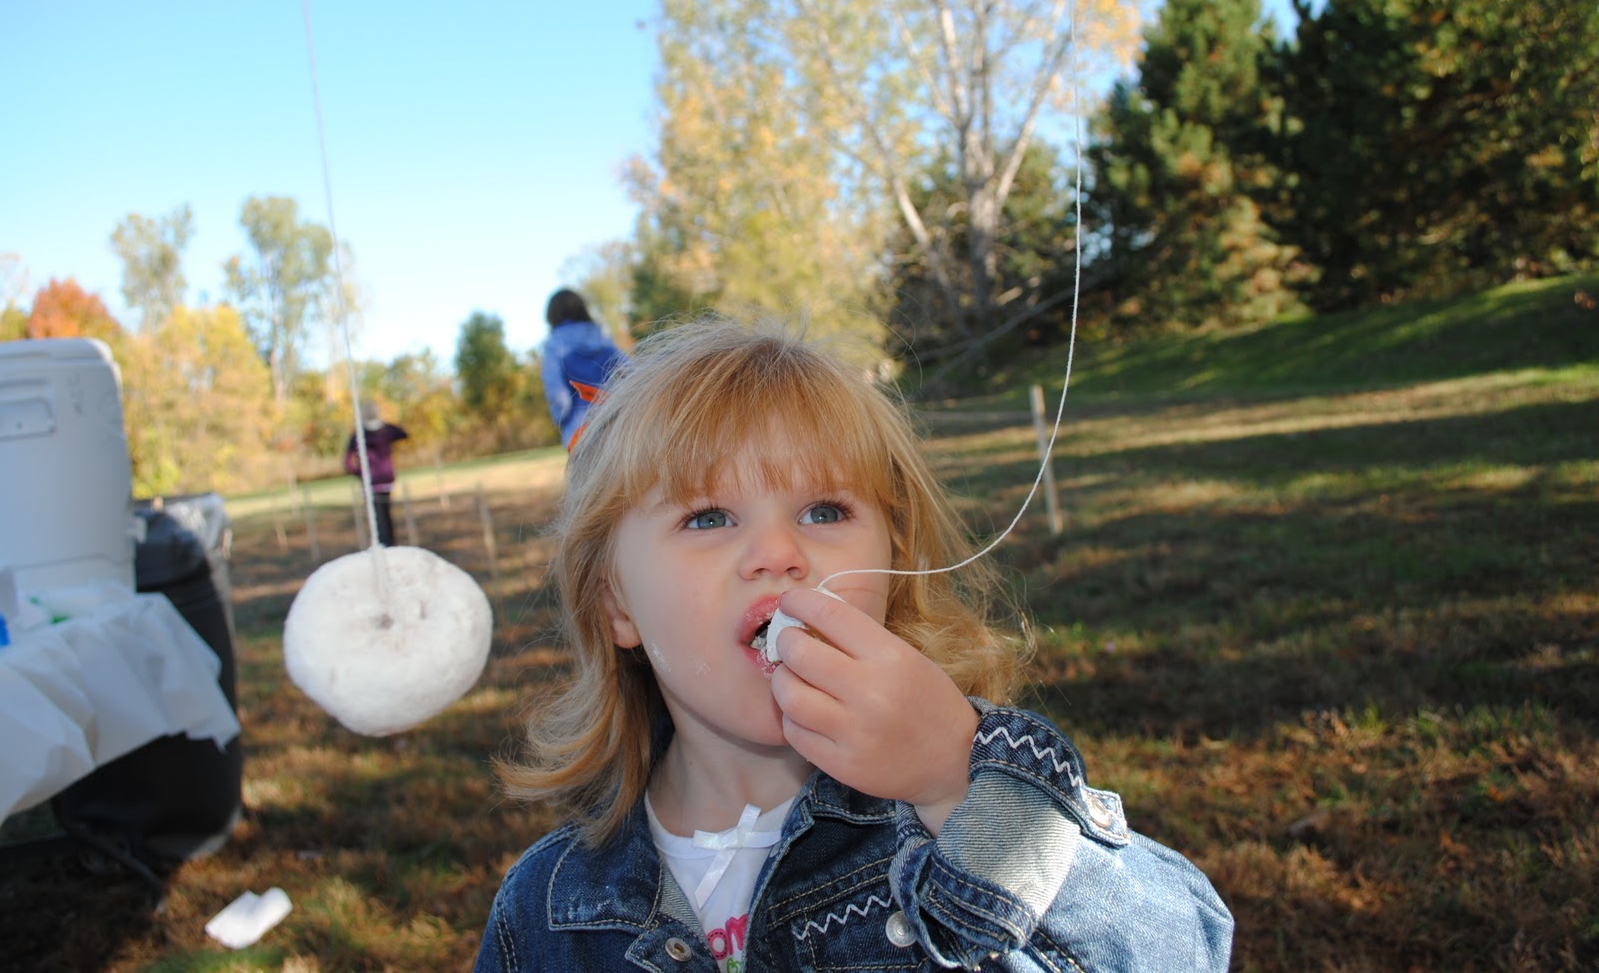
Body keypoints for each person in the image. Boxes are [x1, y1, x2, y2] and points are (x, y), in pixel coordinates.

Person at [474, 315, 1233, 972]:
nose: (777, 551)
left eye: (824, 509)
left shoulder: (948, 810)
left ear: (894, 564)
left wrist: (959, 785)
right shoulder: (548, 910)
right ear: (616, 604)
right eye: (708, 517)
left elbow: (1185, 945)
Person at [540, 287, 627, 450]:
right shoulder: (603, 338)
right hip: (616, 424)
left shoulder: (553, 345)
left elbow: (559, 397)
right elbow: (631, 373)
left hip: (580, 431)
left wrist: (560, 420)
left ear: (552, 315)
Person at [344, 402, 408, 547]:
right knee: (384, 514)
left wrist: (358, 472)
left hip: (371, 481)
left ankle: (385, 544)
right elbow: (402, 432)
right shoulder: (384, 431)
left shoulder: (360, 434)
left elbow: (347, 460)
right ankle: (388, 544)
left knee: (378, 516)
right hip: (383, 479)